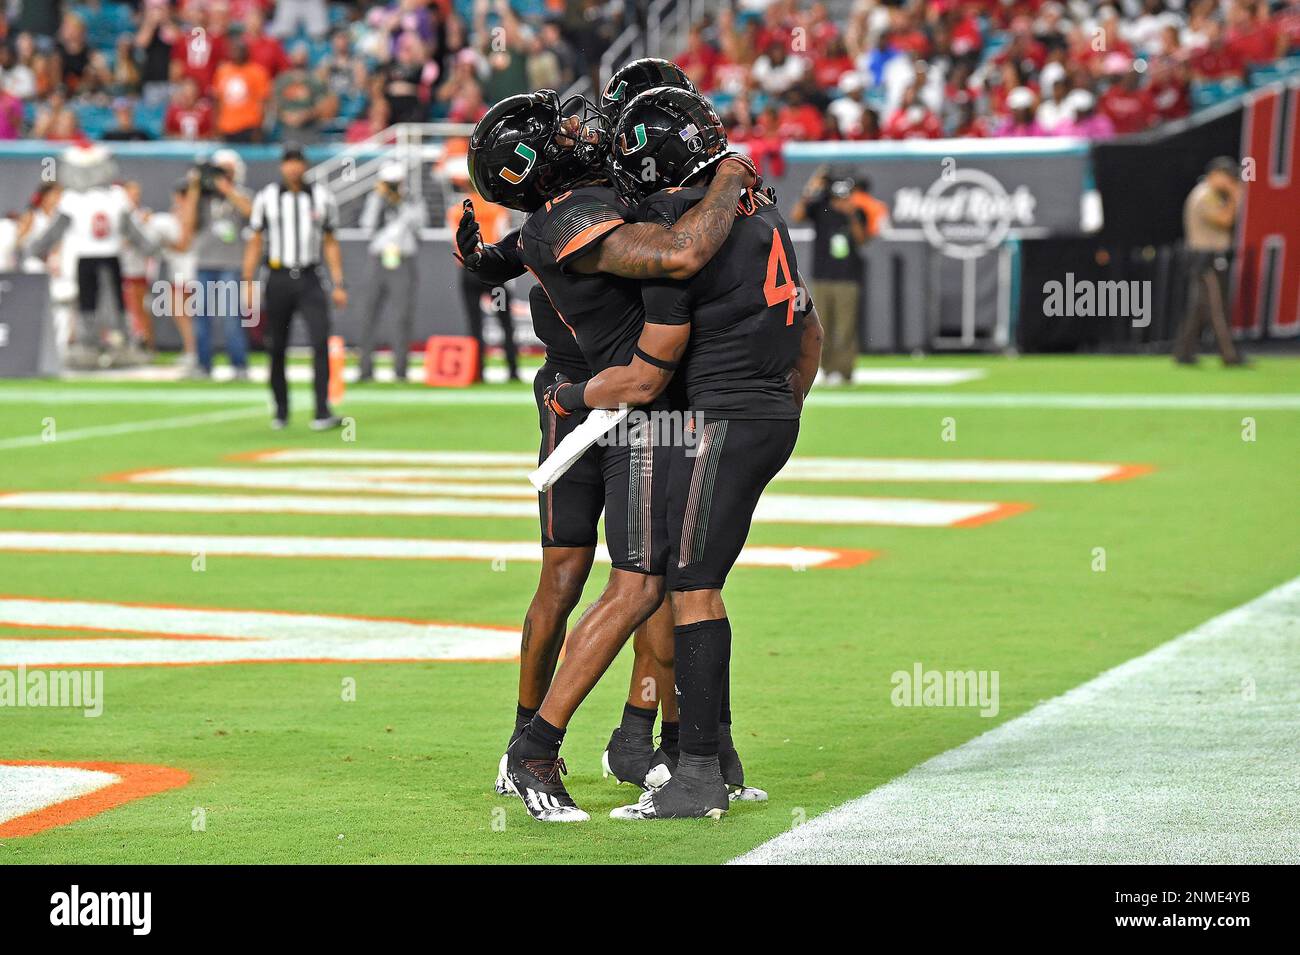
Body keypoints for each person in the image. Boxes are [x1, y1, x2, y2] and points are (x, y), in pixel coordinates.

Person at [467, 88, 758, 822]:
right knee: (607, 580)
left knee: (655, 580)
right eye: (557, 128)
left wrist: (483, 260)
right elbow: (676, 251)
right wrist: (728, 177)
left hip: (637, 403)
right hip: (615, 402)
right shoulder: (566, 219)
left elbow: (513, 251)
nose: (578, 126)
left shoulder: (589, 195)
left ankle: (656, 740)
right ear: (538, 165)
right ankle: (532, 743)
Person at [547, 85, 825, 819]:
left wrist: (571, 399)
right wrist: (784, 400)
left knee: (689, 586)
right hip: (771, 412)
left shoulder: (677, 224)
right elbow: (812, 328)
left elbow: (646, 373)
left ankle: (697, 773)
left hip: (721, 418)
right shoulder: (756, 205)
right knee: (697, 580)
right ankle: (720, 758)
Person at [242, 143, 346, 429]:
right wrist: (247, 280)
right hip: (277, 277)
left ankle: (322, 410)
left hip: (310, 277)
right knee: (276, 345)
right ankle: (281, 409)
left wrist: (339, 282)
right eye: (288, 162)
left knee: (320, 341)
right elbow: (255, 240)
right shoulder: (267, 197)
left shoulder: (322, 198)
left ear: (305, 165)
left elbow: (330, 241)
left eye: (297, 161)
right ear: (281, 166)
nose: (293, 167)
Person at [790, 165, 870, 385]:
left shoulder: (856, 212)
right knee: (821, 325)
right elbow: (796, 215)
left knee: (845, 326)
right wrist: (812, 187)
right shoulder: (820, 207)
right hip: (823, 275)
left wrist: (852, 213)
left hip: (847, 277)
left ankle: (844, 370)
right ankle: (823, 369)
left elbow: (862, 239)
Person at [446, 156, 518, 383]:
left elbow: (455, 241)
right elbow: (502, 235)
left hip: (469, 270)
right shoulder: (496, 208)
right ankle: (512, 370)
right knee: (505, 322)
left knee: (474, 322)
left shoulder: (456, 210)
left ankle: (477, 371)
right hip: (492, 268)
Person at [185, 148, 252, 379]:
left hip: (231, 262)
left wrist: (228, 189)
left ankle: (239, 365)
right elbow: (189, 223)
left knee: (231, 316)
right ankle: (204, 365)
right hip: (205, 260)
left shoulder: (242, 194)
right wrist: (194, 189)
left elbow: (251, 213)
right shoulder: (204, 199)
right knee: (200, 317)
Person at [358, 161, 424, 382]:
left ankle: (400, 370)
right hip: (378, 259)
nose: (393, 187)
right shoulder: (374, 200)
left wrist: (400, 202)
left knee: (401, 317)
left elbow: (418, 224)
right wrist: (380, 200)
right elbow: (367, 226)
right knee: (368, 314)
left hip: (403, 259)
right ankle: (365, 369)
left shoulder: (412, 200)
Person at [1175, 156, 1244, 366]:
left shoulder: (1209, 194)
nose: (1229, 182)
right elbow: (1224, 221)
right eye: (1227, 177)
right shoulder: (1206, 195)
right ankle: (1229, 354)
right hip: (1206, 258)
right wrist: (1234, 197)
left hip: (1205, 257)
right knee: (1217, 308)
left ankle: (1183, 352)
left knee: (1198, 308)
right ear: (1215, 175)